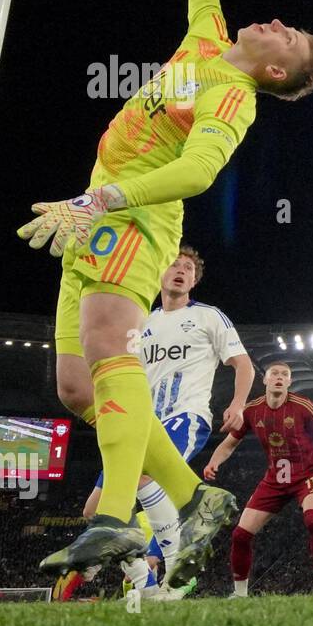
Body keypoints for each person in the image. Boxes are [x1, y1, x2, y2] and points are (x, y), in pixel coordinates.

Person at [20, 0, 313, 586]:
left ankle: (116, 518)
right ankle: (193, 499)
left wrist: (106, 198)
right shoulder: (208, 41)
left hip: (131, 219)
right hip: (95, 212)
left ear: (276, 69)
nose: (277, 19)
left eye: (287, 35)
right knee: (75, 386)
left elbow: (195, 171)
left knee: (109, 351)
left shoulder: (236, 97)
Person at [78, 246, 254, 598]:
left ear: (193, 279)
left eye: (188, 268)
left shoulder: (208, 317)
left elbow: (243, 364)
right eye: (173, 265)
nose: (180, 270)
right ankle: (144, 581)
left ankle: (176, 567)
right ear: (159, 273)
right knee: (93, 511)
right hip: (139, 421)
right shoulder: (142, 321)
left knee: (144, 474)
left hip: (184, 416)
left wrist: (238, 404)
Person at [204, 362, 313, 597]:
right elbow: (229, 443)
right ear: (265, 380)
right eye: (275, 374)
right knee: (240, 535)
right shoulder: (252, 411)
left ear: (290, 382)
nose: (279, 378)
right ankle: (240, 594)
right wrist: (214, 462)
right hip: (274, 480)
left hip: (309, 474)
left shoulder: (304, 406)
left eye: (285, 375)